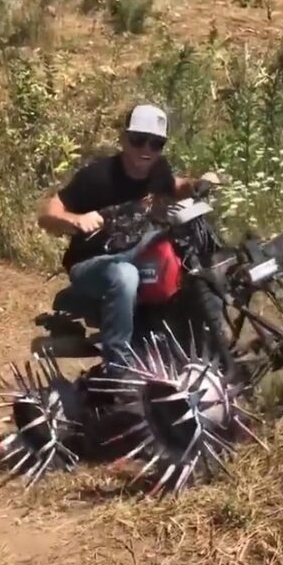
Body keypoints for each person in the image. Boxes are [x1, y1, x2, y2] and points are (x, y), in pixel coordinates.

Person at [37, 103, 207, 371]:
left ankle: (201, 347)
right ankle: (120, 369)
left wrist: (199, 184)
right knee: (125, 275)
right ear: (124, 139)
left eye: (155, 144)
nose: (146, 150)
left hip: (139, 253)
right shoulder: (98, 176)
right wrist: (75, 219)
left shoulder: (158, 170)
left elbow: (175, 185)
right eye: (139, 140)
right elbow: (47, 215)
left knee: (190, 260)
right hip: (94, 263)